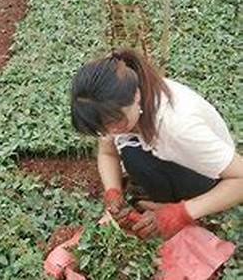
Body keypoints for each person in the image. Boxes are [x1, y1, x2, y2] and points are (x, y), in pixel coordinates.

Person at [69, 48, 243, 239]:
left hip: (207, 174)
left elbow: (240, 178)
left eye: (117, 123)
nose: (110, 132)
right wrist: (113, 191)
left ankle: (189, 203)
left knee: (138, 160)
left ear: (136, 95)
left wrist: (181, 213)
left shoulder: (178, 125)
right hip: (170, 153)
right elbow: (107, 153)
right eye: (102, 129)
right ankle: (167, 200)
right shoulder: (112, 110)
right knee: (133, 157)